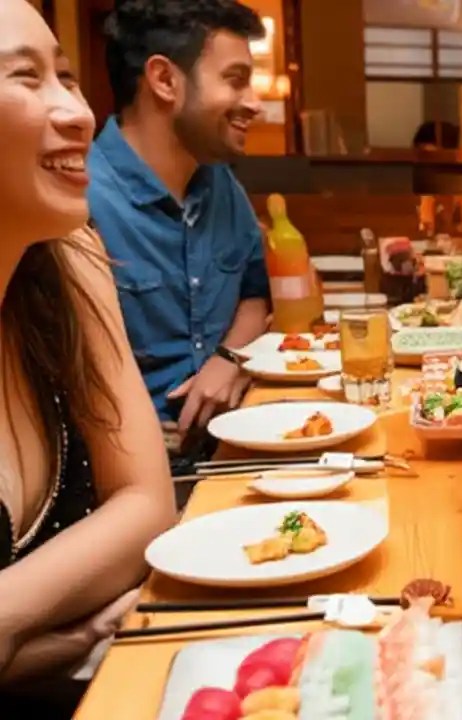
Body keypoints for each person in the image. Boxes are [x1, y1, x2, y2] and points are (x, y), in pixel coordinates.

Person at [0, 0, 175, 712]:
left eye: (65, 75)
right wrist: (61, 633)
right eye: (25, 77)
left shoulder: (70, 258)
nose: (77, 112)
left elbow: (146, 502)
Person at [88, 0, 270, 466]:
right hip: (132, 477)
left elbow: (255, 295)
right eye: (235, 80)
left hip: (232, 449)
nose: (255, 103)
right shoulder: (80, 199)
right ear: (165, 80)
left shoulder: (220, 181)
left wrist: (228, 359)